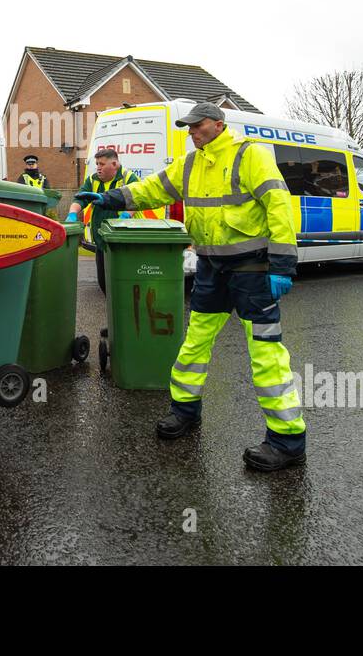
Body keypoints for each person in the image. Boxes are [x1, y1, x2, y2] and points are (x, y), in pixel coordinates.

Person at [74, 101, 306, 472]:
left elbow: (279, 207)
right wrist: (108, 197)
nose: (191, 132)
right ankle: (185, 412)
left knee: (265, 352)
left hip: (252, 269)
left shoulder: (250, 156)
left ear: (217, 124)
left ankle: (287, 439)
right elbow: (152, 190)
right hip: (212, 268)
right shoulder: (190, 164)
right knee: (195, 341)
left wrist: (282, 265)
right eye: (187, 127)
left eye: (196, 126)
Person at [66, 148, 136, 294]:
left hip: (124, 238)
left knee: (123, 280)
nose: (98, 167)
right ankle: (112, 306)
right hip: (101, 237)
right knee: (103, 281)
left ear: (115, 164)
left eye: (102, 164)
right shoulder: (93, 179)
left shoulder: (128, 178)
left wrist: (126, 216)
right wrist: (72, 213)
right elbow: (80, 198)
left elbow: (135, 200)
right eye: (97, 163)